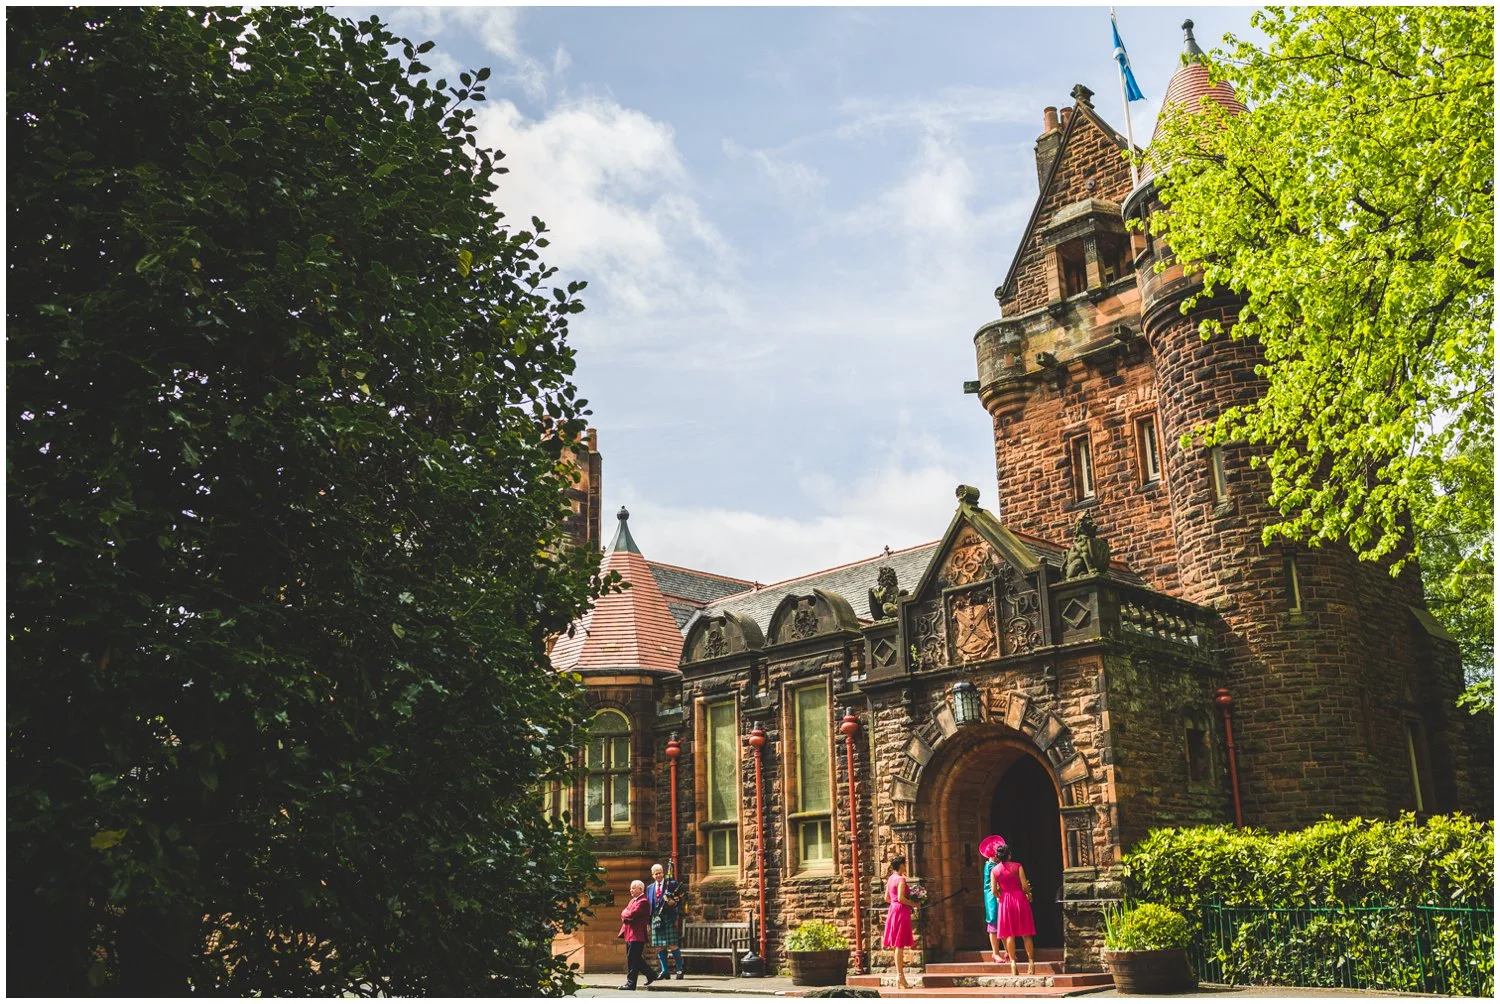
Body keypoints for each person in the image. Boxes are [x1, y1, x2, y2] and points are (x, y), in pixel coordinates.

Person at [989, 843, 1037, 976]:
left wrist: (1000, 897)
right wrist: (1028, 894)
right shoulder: (1018, 866)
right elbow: (1024, 885)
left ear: (998, 857)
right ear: (1009, 855)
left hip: (1005, 901)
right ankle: (1031, 963)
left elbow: (993, 890)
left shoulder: (995, 871)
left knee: (1009, 934)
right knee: (1026, 933)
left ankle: (1013, 963)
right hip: (1019, 898)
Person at [883, 855, 918, 989]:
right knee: (899, 945)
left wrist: (896, 902)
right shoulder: (901, 879)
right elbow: (901, 898)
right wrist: (913, 903)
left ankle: (900, 976)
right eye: (904, 863)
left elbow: (887, 898)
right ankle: (900, 976)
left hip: (892, 910)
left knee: (897, 945)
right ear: (901, 865)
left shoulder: (891, 878)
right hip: (901, 912)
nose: (906, 865)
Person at [617, 879, 659, 990]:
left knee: (633, 960)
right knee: (635, 958)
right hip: (630, 934)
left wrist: (626, 915)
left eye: (633, 888)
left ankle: (631, 983)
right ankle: (651, 974)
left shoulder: (643, 901)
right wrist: (626, 915)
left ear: (640, 889)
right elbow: (624, 913)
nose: (630, 890)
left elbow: (632, 914)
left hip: (637, 934)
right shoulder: (633, 901)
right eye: (630, 888)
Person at [647, 861, 685, 980]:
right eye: (655, 874)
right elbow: (649, 906)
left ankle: (679, 969)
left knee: (673, 945)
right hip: (655, 918)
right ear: (652, 875)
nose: (658, 875)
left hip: (668, 917)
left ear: (663, 873)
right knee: (659, 946)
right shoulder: (649, 888)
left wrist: (675, 902)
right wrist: (648, 922)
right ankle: (665, 971)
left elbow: (682, 897)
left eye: (660, 873)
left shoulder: (671, 884)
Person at [981, 842, 1009, 965]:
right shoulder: (991, 866)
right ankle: (996, 953)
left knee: (1002, 923)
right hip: (993, 897)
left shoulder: (996, 865)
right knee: (993, 923)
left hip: (999, 895)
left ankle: (1008, 950)